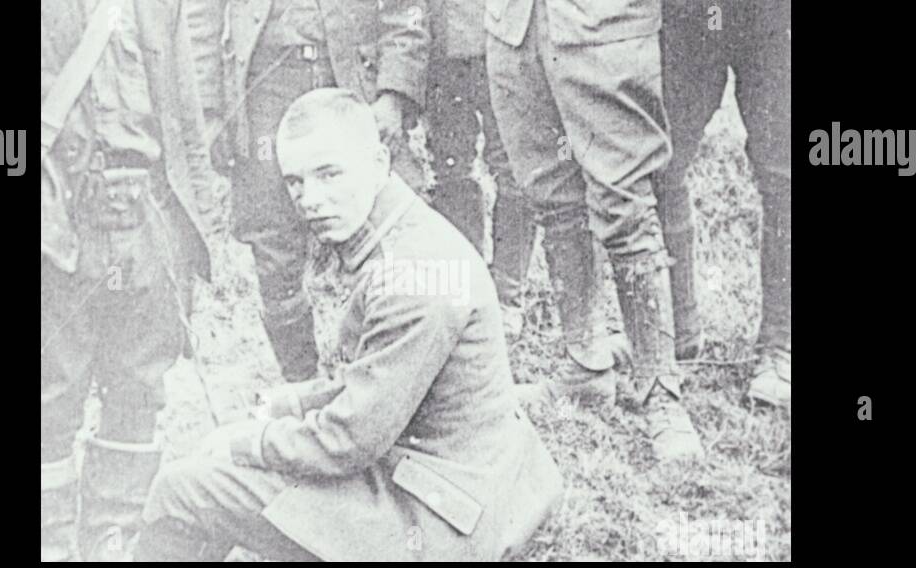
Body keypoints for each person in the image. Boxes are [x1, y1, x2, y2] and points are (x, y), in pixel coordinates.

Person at [134, 89, 563, 562]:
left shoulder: (415, 273)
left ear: (379, 162)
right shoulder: (404, 233)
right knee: (223, 472)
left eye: (329, 174)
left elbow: (348, 441)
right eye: (295, 182)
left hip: (437, 523)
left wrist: (244, 443)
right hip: (462, 482)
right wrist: (286, 404)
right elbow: (372, 381)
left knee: (181, 490)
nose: (310, 200)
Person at [485, 0, 704, 459]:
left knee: (624, 205)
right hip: (515, 26)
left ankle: (661, 392)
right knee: (553, 198)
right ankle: (585, 364)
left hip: (605, 28)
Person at [40, 0, 217, 561]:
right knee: (51, 392)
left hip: (144, 215)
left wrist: (194, 223)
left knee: (138, 389)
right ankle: (49, 548)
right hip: (59, 218)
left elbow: (186, 116)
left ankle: (112, 542)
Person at [184, 0, 430, 383]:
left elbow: (406, 8)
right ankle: (303, 384)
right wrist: (213, 113)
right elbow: (200, 18)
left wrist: (393, 94)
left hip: (349, 76)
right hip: (264, 85)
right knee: (272, 243)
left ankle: (391, 376)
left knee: (387, 230)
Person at [656, 0, 790, 408]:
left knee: (785, 176)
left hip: (776, 19)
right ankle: (676, 327)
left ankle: (781, 343)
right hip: (693, 13)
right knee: (661, 159)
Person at [424, 0, 536, 337]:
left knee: (513, 166)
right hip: (441, 43)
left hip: (506, 36)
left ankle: (508, 295)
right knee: (450, 165)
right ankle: (467, 289)